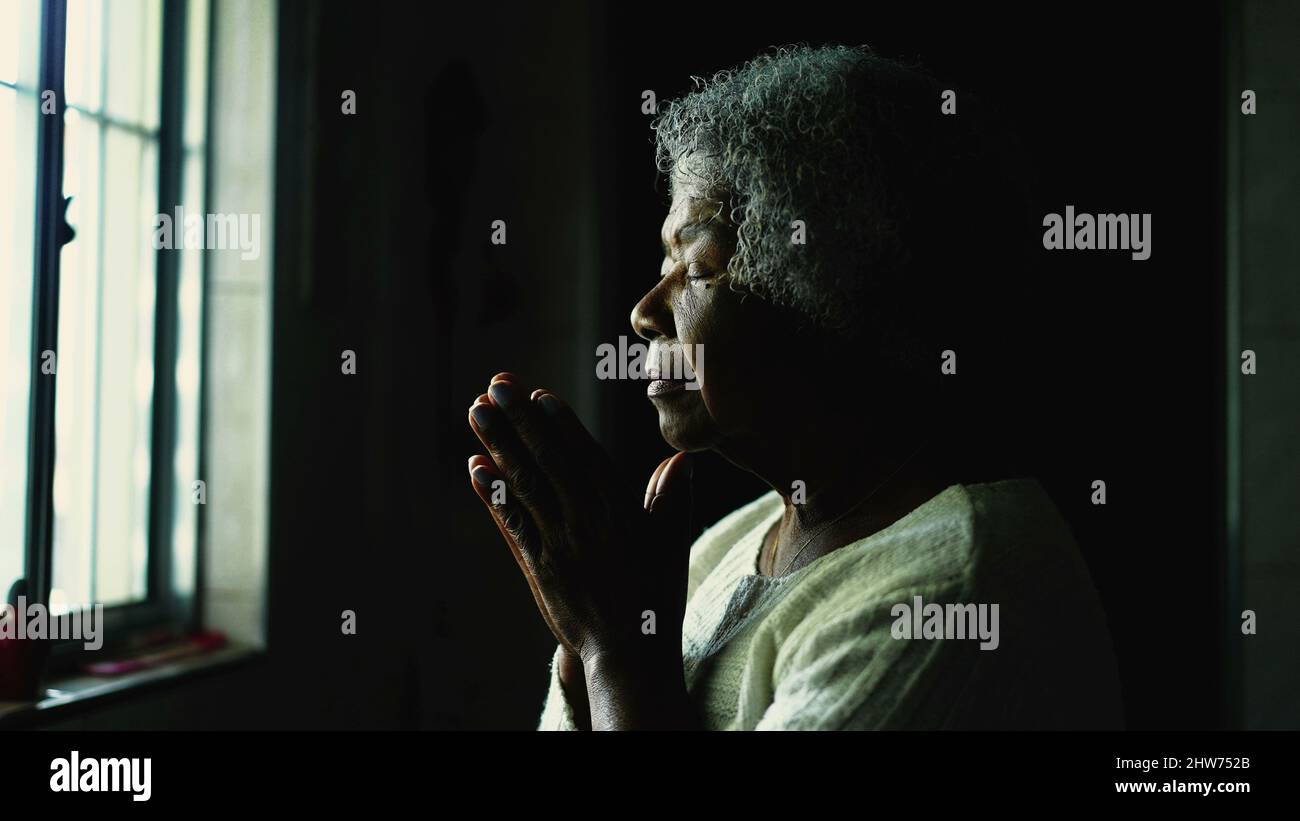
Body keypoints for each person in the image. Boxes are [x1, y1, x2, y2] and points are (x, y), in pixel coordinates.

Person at [466, 44, 1123, 730]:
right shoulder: (721, 550)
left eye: (696, 269)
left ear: (838, 289)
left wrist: (614, 652)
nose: (644, 312)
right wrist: (587, 634)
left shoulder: (948, 593)